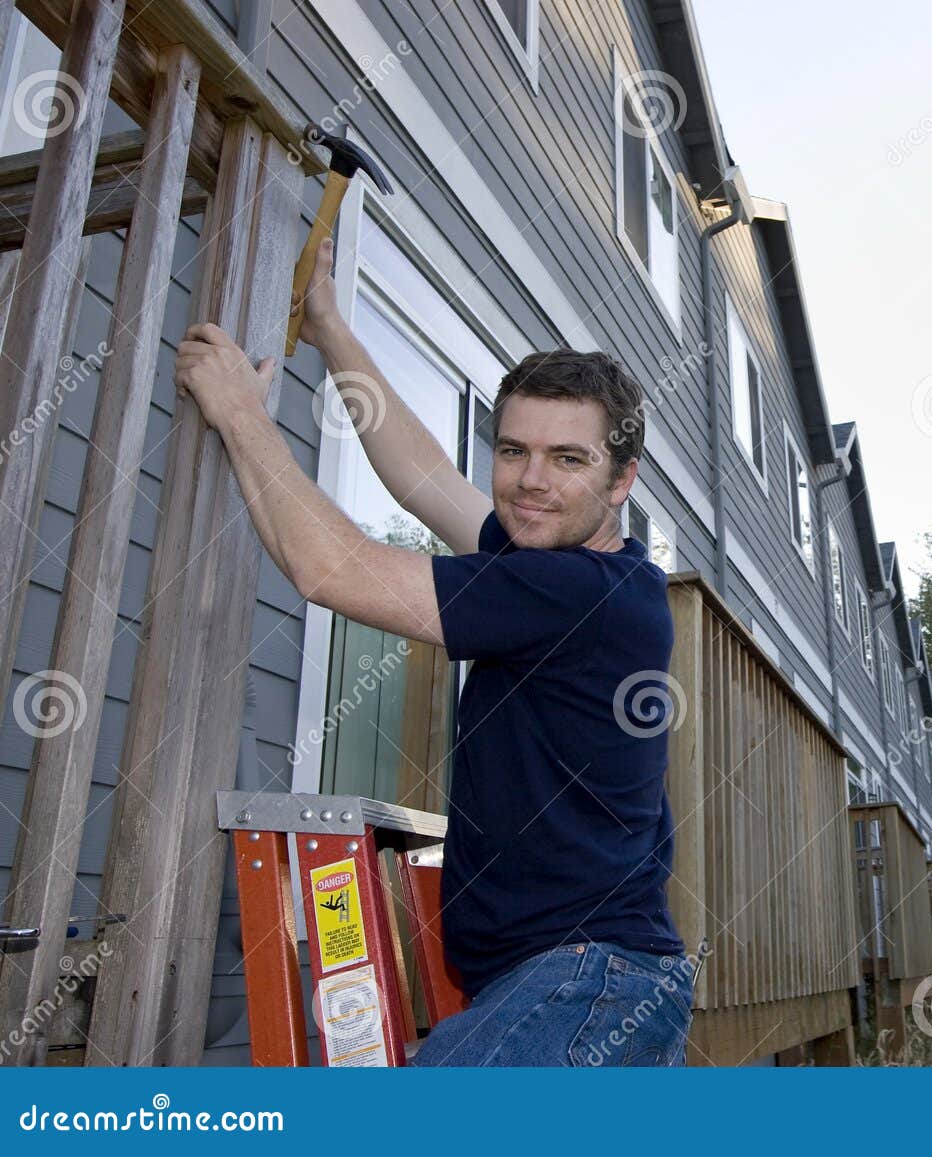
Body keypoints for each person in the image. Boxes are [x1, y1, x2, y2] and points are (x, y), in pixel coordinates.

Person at [174, 236, 694, 1066]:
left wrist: (241, 412)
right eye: (513, 449)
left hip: (588, 982)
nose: (531, 478)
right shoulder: (555, 562)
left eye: (568, 459)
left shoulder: (579, 593)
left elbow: (328, 568)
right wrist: (334, 330)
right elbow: (420, 480)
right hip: (558, 983)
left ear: (622, 479)